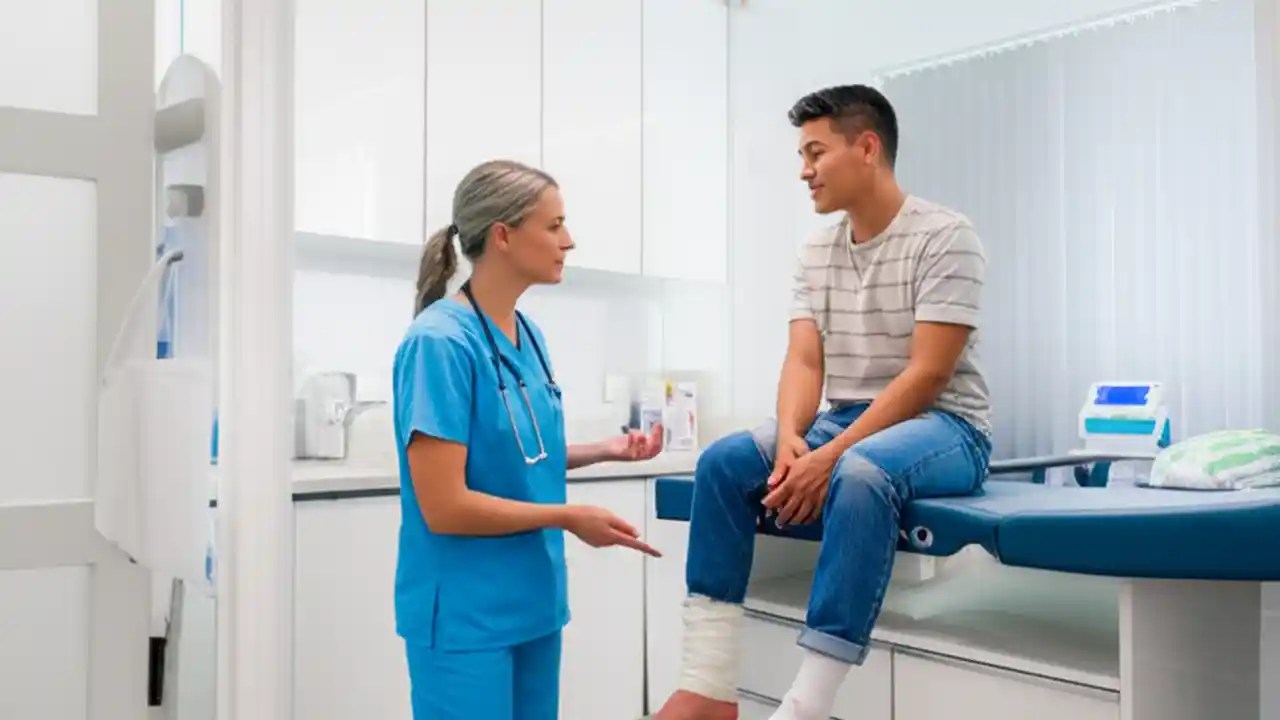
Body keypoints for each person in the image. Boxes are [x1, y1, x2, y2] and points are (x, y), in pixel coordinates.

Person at [651, 85, 993, 720]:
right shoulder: (816, 249)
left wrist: (829, 455)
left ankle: (809, 702)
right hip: (846, 416)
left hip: (945, 424)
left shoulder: (947, 235)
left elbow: (928, 374)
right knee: (723, 463)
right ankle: (708, 683)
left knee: (860, 474)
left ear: (867, 148)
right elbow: (805, 359)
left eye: (815, 152)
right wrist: (790, 436)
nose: (802, 170)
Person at [394, 159, 664, 719]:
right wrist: (566, 517)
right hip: (467, 616)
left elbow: (515, 459)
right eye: (554, 225)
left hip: (534, 603)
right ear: (504, 236)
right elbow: (445, 506)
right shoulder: (439, 342)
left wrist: (605, 450)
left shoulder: (529, 335)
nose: (568, 240)